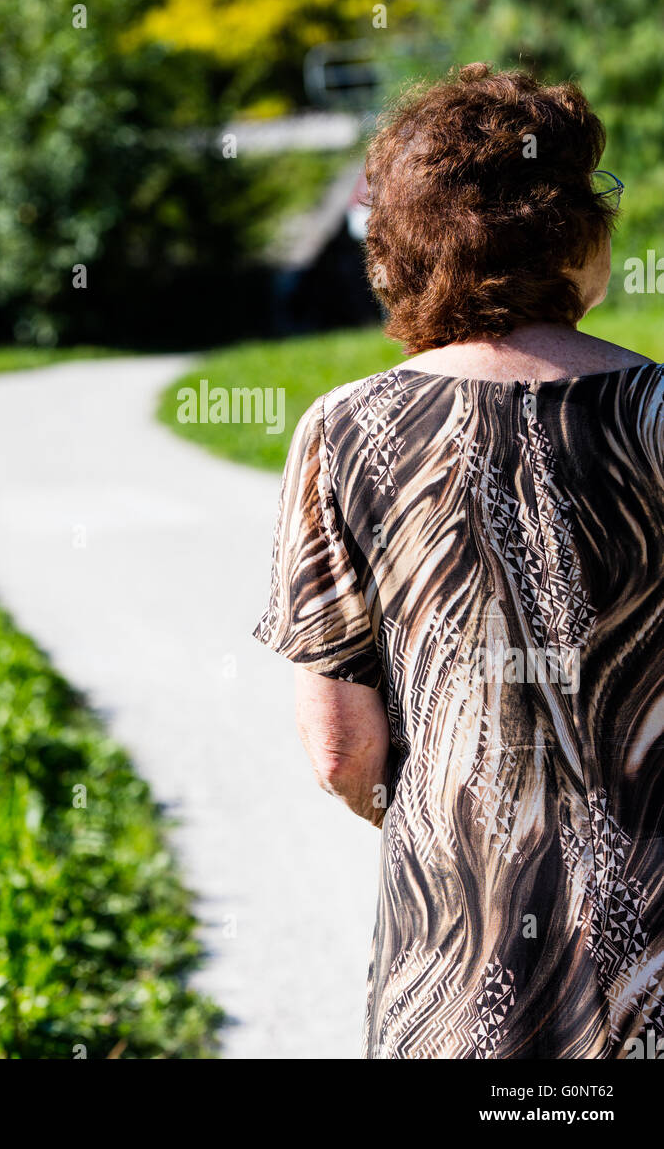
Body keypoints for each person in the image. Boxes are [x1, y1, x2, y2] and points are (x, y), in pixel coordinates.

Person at [254, 63, 664, 1059]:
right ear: (577, 236)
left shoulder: (343, 431)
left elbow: (341, 751)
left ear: (396, 249)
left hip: (453, 968)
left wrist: (454, 822)